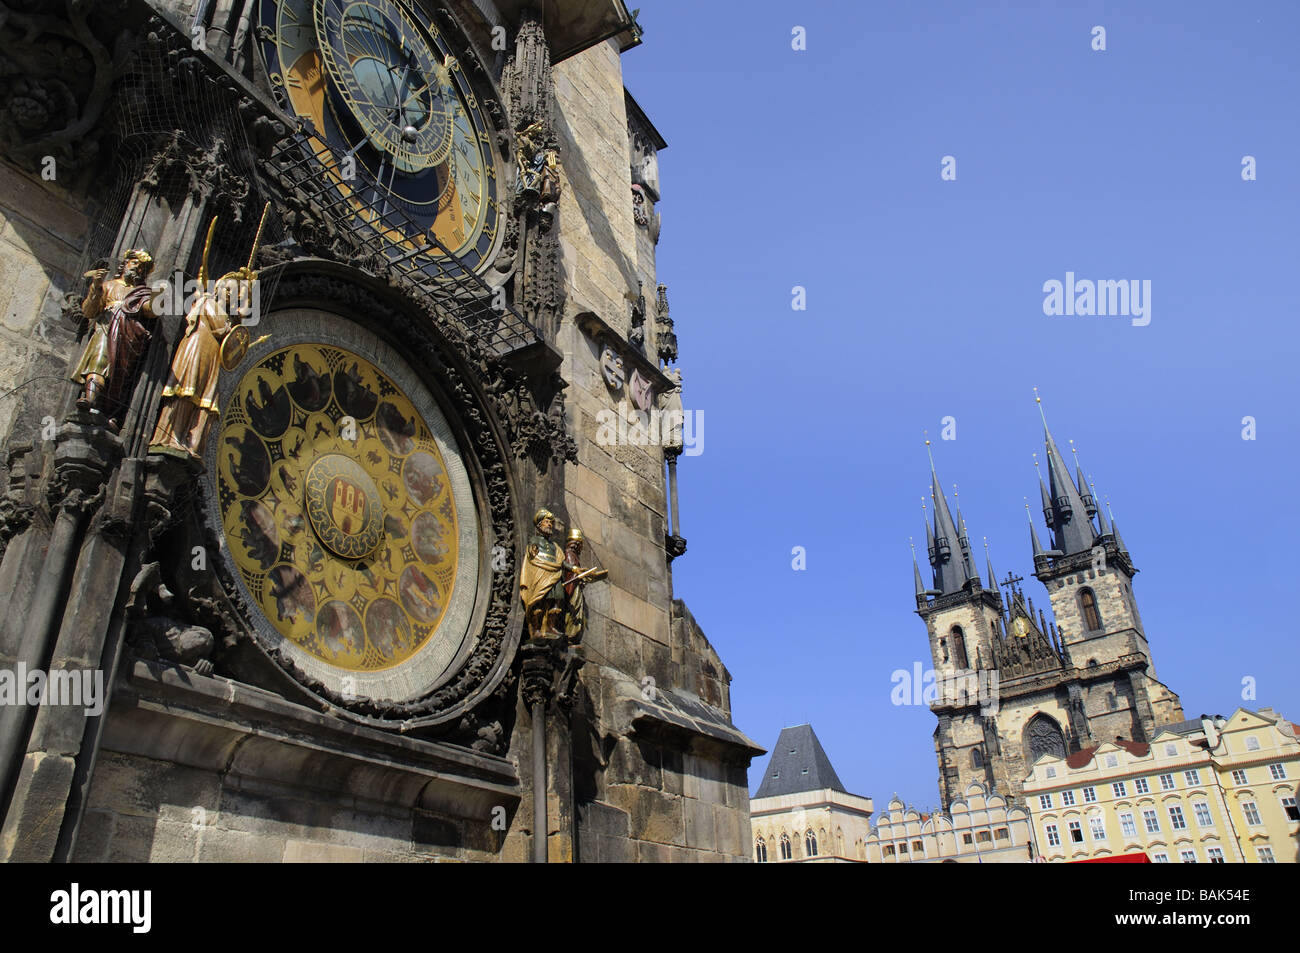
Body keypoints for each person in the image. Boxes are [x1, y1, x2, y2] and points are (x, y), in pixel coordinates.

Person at [71, 248, 156, 430]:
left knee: (120, 376)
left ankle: (110, 412)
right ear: (125, 264)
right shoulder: (109, 285)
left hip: (128, 338)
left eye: (142, 268)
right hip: (106, 328)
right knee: (99, 361)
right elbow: (88, 311)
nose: (137, 270)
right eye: (135, 264)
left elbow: (150, 310)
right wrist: (96, 286)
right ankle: (90, 400)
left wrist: (159, 297)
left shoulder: (141, 292)